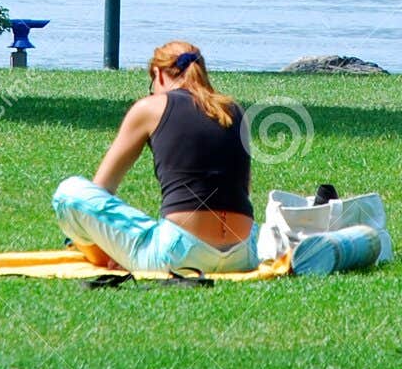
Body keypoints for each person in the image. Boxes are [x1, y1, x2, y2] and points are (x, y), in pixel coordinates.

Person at [52, 39, 257, 274]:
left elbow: (102, 188)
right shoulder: (234, 110)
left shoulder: (150, 107)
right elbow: (243, 192)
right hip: (244, 255)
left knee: (69, 192)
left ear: (159, 75)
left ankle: (105, 257)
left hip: (179, 255)